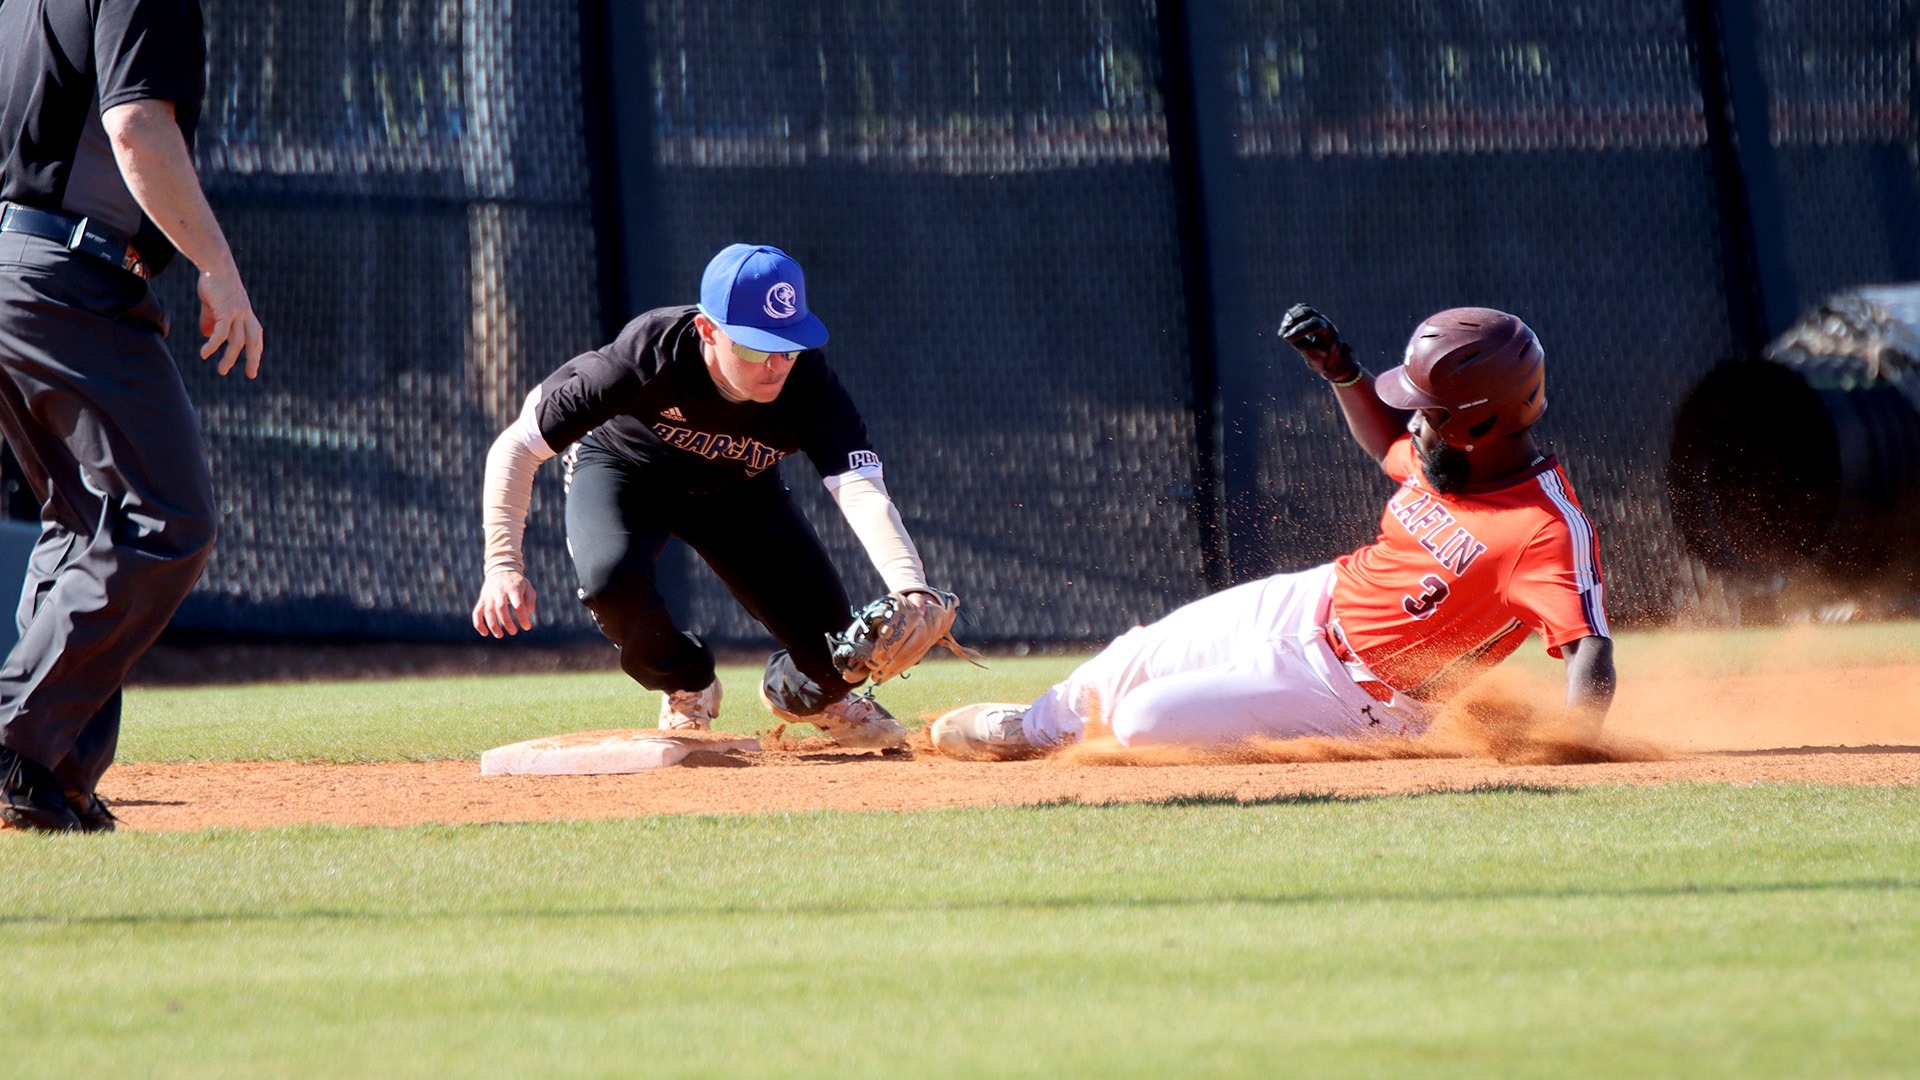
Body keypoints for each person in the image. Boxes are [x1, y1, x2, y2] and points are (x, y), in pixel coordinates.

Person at [932, 304, 1614, 757]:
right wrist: (1342, 370)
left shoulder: (1543, 528)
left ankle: (1067, 733)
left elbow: (1590, 651)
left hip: (1359, 695)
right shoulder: (1450, 459)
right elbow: (1386, 446)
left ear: (1482, 422)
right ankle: (1032, 730)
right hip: (1311, 599)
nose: (1410, 419)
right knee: (1132, 657)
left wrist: (1577, 746)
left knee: (1143, 721)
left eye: (1425, 410)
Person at [473, 243, 950, 750]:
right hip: (626, 472)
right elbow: (517, 445)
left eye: (788, 345)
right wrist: (503, 564)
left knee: (846, 655)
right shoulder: (646, 356)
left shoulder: (810, 384)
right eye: (753, 347)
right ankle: (686, 684)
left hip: (738, 489)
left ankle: (813, 694)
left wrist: (910, 587)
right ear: (708, 331)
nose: (775, 364)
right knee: (612, 583)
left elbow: (859, 489)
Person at [0, 0, 264, 832]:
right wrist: (216, 266)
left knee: (79, 521)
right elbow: (138, 126)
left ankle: (55, 772)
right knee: (170, 516)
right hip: (65, 280)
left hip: (21, 269)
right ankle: (16, 739)